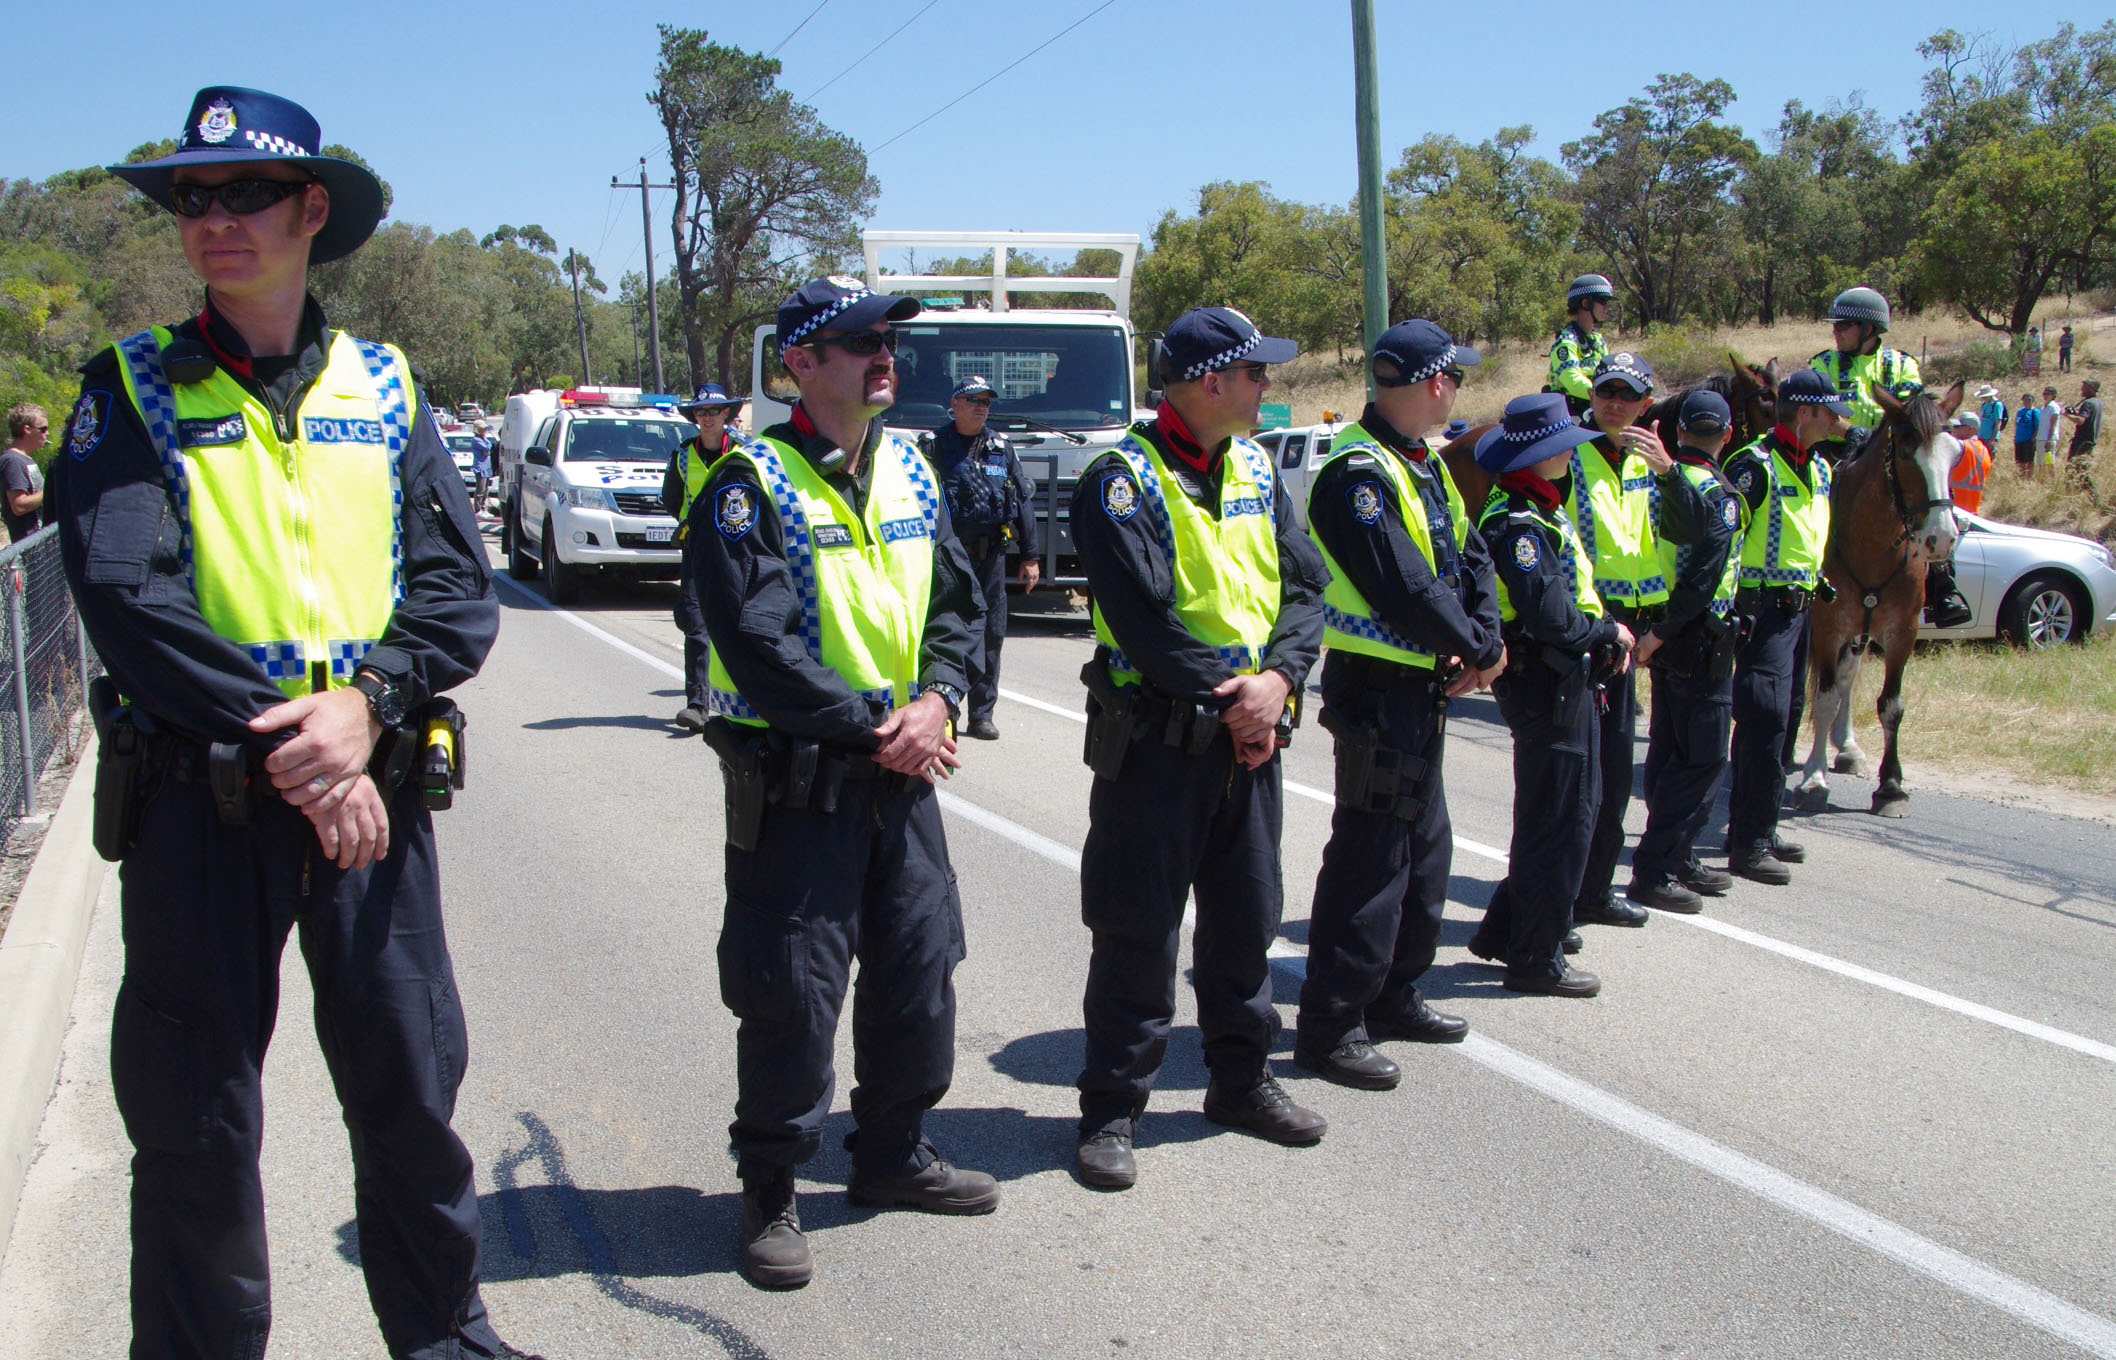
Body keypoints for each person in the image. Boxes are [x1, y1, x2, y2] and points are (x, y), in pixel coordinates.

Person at [53, 87, 534, 1359]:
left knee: (412, 1093)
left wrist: (367, 705)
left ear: (311, 209)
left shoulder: (387, 387)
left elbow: (455, 590)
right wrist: (306, 754)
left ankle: (444, 1337)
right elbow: (129, 600)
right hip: (205, 809)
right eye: (193, 198)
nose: (214, 219)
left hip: (372, 800)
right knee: (198, 1121)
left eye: (246, 194)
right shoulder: (129, 390)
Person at [689, 276, 993, 1289]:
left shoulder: (910, 467)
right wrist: (879, 727)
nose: (884, 357)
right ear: (801, 364)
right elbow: (758, 643)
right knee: (792, 992)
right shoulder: (750, 483)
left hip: (900, 776)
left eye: (888, 342)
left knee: (920, 968)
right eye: (861, 342)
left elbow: (956, 603)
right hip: (801, 786)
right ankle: (771, 1186)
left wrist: (940, 698)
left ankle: (892, 1153)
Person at [1070, 305, 1328, 1190]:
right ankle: (1111, 1108)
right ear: (1211, 382)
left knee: (1247, 920)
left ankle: (1241, 1081)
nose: (1268, 386)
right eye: (1257, 373)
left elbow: (1306, 589)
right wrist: (1241, 703)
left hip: (1250, 741)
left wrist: (1280, 682)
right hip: (1158, 745)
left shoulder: (1255, 464)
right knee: (1136, 929)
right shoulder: (1120, 480)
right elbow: (1145, 625)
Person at [1292, 320, 1499, 1091]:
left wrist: (1486, 636)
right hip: (1377, 687)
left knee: (1425, 852)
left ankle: (1394, 993)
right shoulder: (1357, 472)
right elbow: (1404, 585)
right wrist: (1475, 647)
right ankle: (1332, 1025)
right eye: (1455, 378)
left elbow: (1471, 555)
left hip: (1423, 684)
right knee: (1371, 859)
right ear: (1436, 381)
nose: (1456, 390)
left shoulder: (1423, 461)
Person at [1469, 394, 1629, 997]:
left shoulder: (1537, 510)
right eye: (1563, 445)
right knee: (1561, 819)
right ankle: (1536, 957)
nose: (1571, 453)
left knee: (1559, 811)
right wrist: (1607, 632)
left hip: (1559, 678)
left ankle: (1511, 931)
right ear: (1540, 455)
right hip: (1545, 680)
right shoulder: (1519, 523)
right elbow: (1552, 617)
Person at [1566, 352, 1703, 936]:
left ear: (1647, 404)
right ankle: (1559, 899)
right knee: (1579, 774)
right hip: (1586, 624)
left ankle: (1594, 890)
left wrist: (1670, 472)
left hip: (1632, 631)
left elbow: (1694, 530)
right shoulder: (1570, 455)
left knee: (1617, 770)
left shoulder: (1653, 463)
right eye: (1606, 392)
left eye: (1627, 395)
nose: (1614, 403)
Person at [1723, 369, 1848, 886]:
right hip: (1763, 610)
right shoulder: (1753, 466)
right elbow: (1726, 540)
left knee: (1788, 716)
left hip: (1800, 609)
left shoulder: (1818, 467)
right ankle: (1747, 843)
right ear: (1805, 413)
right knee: (1765, 717)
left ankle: (1762, 826)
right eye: (1830, 412)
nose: (1838, 421)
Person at [1628, 390, 1743, 913]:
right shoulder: (1718, 494)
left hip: (1665, 627)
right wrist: (1665, 632)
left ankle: (1677, 856)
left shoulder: (1657, 483)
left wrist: (1656, 632)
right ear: (1728, 435)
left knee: (1668, 747)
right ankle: (1656, 868)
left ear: (1678, 434)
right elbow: (1704, 577)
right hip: (1694, 633)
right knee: (1703, 757)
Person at [922, 373, 1042, 740]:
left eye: (986, 402)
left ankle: (982, 714)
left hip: (992, 556)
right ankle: (944, 708)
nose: (981, 408)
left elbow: (1021, 501)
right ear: (955, 404)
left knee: (992, 635)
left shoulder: (1001, 448)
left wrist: (1030, 556)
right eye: (974, 400)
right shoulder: (933, 446)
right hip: (949, 556)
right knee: (948, 630)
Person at [662, 382, 741, 731]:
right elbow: (671, 499)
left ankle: (749, 702)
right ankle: (697, 705)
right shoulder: (682, 456)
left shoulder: (744, 452)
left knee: (743, 623)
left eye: (713, 411)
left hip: (739, 548)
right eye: (701, 412)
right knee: (696, 625)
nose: (707, 418)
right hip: (697, 548)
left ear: (726, 414)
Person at [1811, 287, 1922, 446]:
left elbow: (1912, 412)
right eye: (1834, 326)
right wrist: (1852, 433)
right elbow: (1818, 410)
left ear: (1867, 329)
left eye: (1842, 326)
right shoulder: (1824, 363)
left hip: (1889, 451)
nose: (1835, 332)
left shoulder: (1903, 364)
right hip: (1834, 453)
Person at [1547, 274, 1616, 415]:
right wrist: (1605, 397)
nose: (1607, 307)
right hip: (1569, 412)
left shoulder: (1598, 340)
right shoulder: (1566, 342)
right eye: (1603, 301)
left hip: (1594, 405)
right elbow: (1572, 380)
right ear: (1586, 304)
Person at [2, 402, 50, 541]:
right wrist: (52, 489)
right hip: (29, 545)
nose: (47, 433)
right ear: (27, 429)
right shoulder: (12, 461)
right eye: (43, 429)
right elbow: (19, 506)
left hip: (40, 541)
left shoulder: (26, 459)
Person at [1946, 411, 1993, 515]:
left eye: (1958, 427)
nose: (1954, 429)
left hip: (1954, 508)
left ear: (1970, 430)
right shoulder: (1984, 450)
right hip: (1973, 510)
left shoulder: (1960, 446)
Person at [2065, 378, 2104, 476]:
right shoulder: (2098, 402)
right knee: (2082, 471)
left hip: (2082, 442)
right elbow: (2088, 417)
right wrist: (2076, 412)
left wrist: (2066, 415)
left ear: (2091, 388)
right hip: (2090, 441)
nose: (2081, 389)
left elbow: (2080, 421)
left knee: (2073, 471)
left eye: (2084, 387)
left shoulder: (2088, 403)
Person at [2012, 391, 2042, 479]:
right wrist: (2015, 436)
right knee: (2019, 460)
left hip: (2028, 440)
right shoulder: (2020, 411)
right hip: (2019, 439)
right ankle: (2021, 476)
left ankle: (2029, 477)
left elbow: (2038, 427)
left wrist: (2033, 438)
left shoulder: (2035, 412)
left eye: (2029, 400)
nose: (2026, 402)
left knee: (2029, 460)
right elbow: (2017, 424)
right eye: (2024, 400)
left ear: (2032, 401)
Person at [469, 419, 494, 512]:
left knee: (486, 489)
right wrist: (486, 441)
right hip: (480, 467)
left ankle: (483, 507)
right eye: (482, 429)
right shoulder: (476, 440)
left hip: (486, 466)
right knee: (480, 489)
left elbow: (489, 448)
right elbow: (487, 447)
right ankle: (478, 508)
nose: (485, 431)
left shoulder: (484, 439)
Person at [2041, 387, 2066, 472]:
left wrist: (2049, 439)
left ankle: (2051, 477)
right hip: (2042, 437)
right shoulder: (2044, 407)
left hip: (2050, 438)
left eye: (2047, 394)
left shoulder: (2054, 407)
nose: (2045, 396)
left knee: (2049, 461)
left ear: (2053, 395)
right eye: (2044, 393)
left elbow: (2053, 424)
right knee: (2042, 461)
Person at [1975, 385, 2007, 449]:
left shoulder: (1997, 405)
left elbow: (1998, 423)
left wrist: (1992, 439)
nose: (1983, 398)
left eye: (1985, 396)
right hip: (1981, 436)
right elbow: (1981, 419)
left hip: (1990, 437)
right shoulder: (1984, 404)